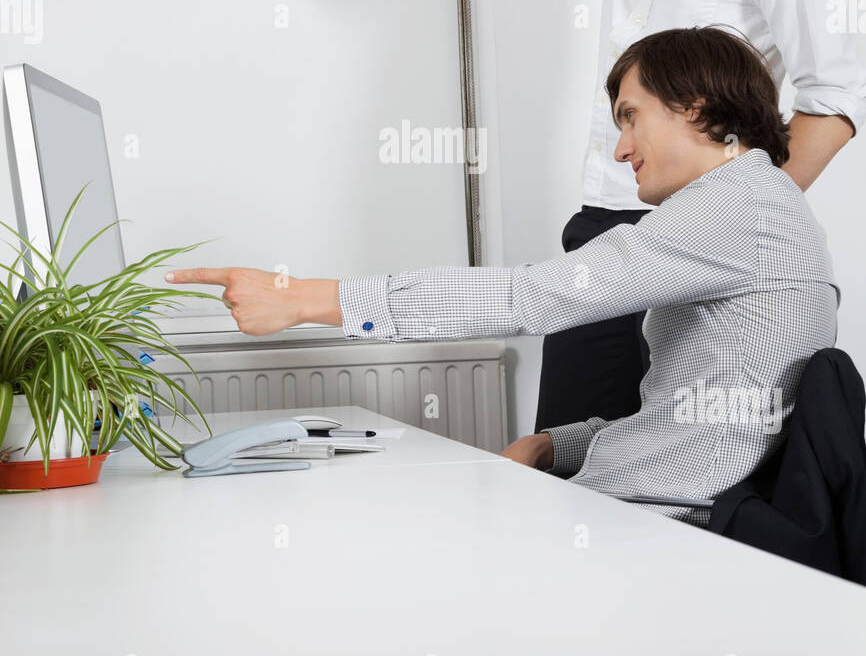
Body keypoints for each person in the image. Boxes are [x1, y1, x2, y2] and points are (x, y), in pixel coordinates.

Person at [165, 26, 841, 529]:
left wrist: (303, 299)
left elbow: (534, 297)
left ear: (695, 106)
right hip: (632, 512)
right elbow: (684, 419)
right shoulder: (755, 205)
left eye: (631, 117)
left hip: (645, 530)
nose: (622, 148)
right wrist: (556, 443)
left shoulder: (735, 204)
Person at [475, 0, 865, 440]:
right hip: (604, 226)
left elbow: (836, 96)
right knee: (563, 460)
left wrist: (744, 214)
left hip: (702, 236)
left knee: (690, 470)